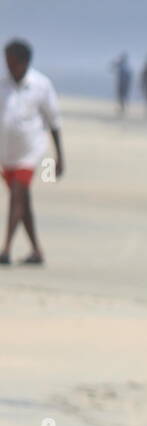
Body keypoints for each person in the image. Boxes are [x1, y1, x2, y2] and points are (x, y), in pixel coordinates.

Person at [1, 38, 63, 266]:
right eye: (6, 61)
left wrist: (59, 157)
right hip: (6, 153)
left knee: (18, 194)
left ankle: (5, 249)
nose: (8, 66)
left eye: (12, 62)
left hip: (30, 152)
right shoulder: (2, 84)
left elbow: (54, 121)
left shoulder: (41, 85)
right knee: (22, 203)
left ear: (24, 62)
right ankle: (37, 251)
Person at [110, 52, 130, 116]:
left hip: (122, 85)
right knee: (120, 97)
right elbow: (111, 68)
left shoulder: (124, 68)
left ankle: (122, 109)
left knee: (121, 97)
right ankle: (121, 109)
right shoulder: (122, 67)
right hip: (121, 85)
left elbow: (112, 67)